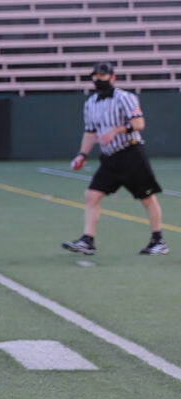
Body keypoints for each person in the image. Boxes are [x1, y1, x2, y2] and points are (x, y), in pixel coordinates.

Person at [63, 61, 168, 256]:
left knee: (146, 197)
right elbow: (90, 132)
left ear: (112, 77)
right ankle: (88, 240)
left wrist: (116, 130)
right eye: (96, 76)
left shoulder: (125, 97)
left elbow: (139, 123)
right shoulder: (90, 103)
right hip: (110, 157)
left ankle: (158, 240)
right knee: (92, 195)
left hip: (130, 153)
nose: (98, 79)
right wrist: (82, 154)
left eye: (103, 76)